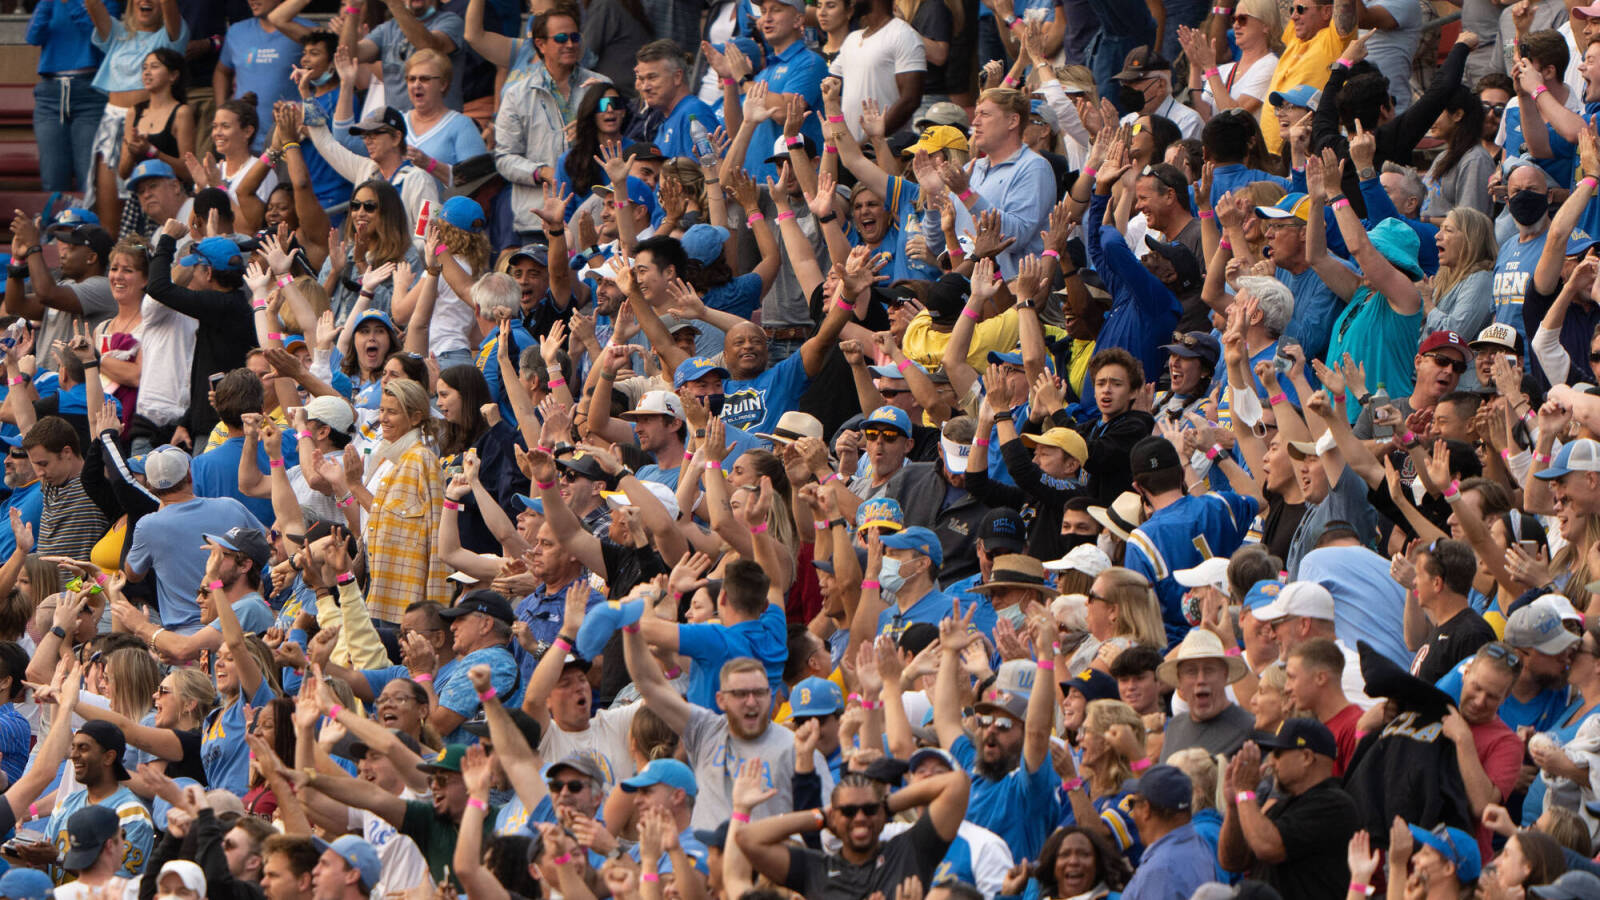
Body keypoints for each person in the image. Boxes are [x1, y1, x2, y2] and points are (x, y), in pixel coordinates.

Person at [1219, 718, 1359, 899]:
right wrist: (1234, 805)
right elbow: (1233, 861)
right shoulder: (1282, 805)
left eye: (1278, 754)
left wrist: (1245, 791)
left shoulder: (1334, 804)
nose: (1271, 762)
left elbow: (1267, 847)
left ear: (1307, 757)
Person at [44, 719, 156, 879]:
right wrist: (36, 859)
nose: (73, 755)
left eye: (83, 748)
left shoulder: (132, 815)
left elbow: (119, 882)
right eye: (73, 747)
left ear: (109, 757)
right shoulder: (66, 804)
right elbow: (49, 869)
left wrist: (58, 858)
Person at [1158, 628, 1255, 761]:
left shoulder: (1248, 730)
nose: (1201, 680)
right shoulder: (1174, 727)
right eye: (1191, 671)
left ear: (1225, 675)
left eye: (1209, 670)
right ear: (1180, 680)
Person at [1120, 765, 1215, 900]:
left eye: (1132, 804)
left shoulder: (1160, 869)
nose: (1133, 814)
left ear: (1146, 809)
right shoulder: (1200, 845)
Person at [634, 40, 716, 159]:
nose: (645, 87)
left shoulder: (694, 113)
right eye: (642, 79)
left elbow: (712, 166)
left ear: (677, 77)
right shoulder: (666, 121)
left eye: (652, 77)